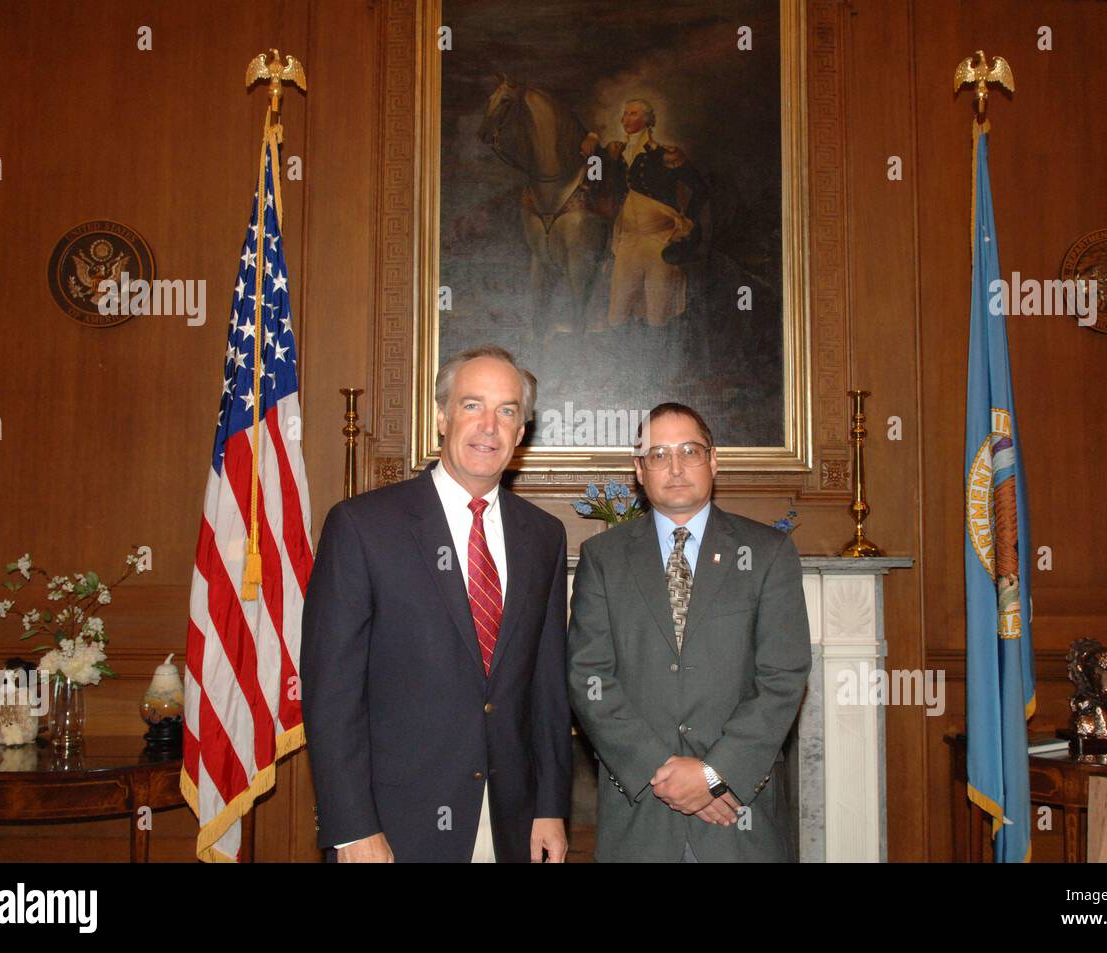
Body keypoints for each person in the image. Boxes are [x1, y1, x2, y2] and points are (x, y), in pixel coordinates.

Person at [301, 345, 571, 863]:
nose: (489, 426)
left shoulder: (544, 536)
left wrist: (549, 807)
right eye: (472, 405)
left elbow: (548, 686)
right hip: (393, 828)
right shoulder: (362, 526)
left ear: (521, 433)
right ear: (442, 417)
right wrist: (353, 828)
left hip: (511, 823)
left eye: (507, 411)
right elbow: (332, 692)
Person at [568, 402, 811, 861]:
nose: (675, 467)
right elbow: (588, 677)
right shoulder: (603, 558)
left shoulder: (768, 552)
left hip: (739, 816)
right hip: (639, 818)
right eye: (658, 455)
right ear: (639, 470)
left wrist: (716, 775)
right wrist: (663, 775)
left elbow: (783, 677)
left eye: (689, 452)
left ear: (713, 460)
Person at [581, 99, 709, 327]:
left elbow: (700, 188)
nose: (625, 119)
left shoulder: (666, 155)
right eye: (625, 114)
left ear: (647, 120)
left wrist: (687, 222)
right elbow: (593, 179)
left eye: (632, 114)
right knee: (617, 314)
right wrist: (592, 139)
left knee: (658, 314)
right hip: (628, 240)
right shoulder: (615, 154)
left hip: (659, 240)